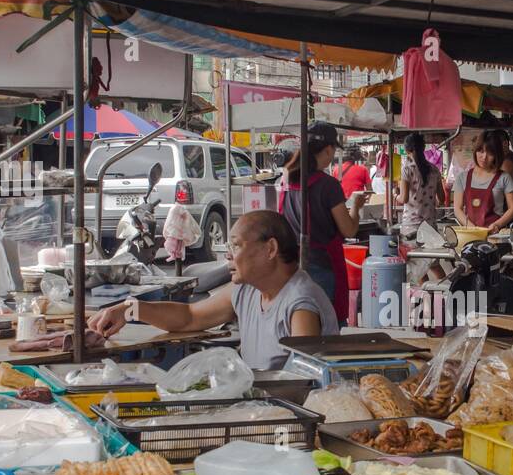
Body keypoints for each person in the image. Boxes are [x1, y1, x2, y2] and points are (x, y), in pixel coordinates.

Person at [87, 210, 338, 371]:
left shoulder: (300, 304)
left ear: (270, 249)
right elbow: (190, 317)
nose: (228, 254)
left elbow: (307, 379)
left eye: (236, 246)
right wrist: (129, 310)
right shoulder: (248, 290)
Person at [278, 120, 365, 323]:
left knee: (301, 322)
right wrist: (356, 206)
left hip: (292, 265)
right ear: (327, 149)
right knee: (327, 325)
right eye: (333, 150)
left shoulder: (286, 181)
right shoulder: (328, 185)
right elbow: (349, 230)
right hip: (322, 266)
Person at [453, 130, 513, 234]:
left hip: (495, 236)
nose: (484, 157)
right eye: (481, 151)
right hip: (470, 235)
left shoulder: (504, 178)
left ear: (496, 155)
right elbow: (457, 208)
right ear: (475, 151)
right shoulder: (462, 178)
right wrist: (472, 229)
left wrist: (497, 224)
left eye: (490, 153)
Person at [395, 131, 442, 239]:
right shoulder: (434, 169)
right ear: (423, 148)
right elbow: (442, 198)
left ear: (407, 150)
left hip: (411, 228)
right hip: (430, 228)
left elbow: (404, 199)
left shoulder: (407, 169)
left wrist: (395, 194)